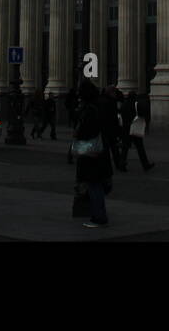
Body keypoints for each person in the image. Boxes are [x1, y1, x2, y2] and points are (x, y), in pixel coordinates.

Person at [74, 79, 112, 228]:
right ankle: (99, 213)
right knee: (98, 183)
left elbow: (85, 131)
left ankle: (98, 217)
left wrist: (78, 132)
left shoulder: (89, 110)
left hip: (91, 151)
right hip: (102, 150)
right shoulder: (101, 105)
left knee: (94, 184)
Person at [123, 91, 154, 171]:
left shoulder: (124, 104)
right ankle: (145, 164)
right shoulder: (136, 104)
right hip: (134, 128)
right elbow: (141, 113)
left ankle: (122, 164)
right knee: (140, 148)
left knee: (125, 148)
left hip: (126, 128)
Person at [101, 86, 127, 172]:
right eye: (114, 92)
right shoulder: (111, 102)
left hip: (106, 129)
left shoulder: (103, 100)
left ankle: (112, 165)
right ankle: (118, 164)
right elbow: (114, 117)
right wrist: (118, 129)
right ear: (111, 93)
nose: (115, 94)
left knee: (109, 148)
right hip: (110, 128)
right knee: (113, 148)